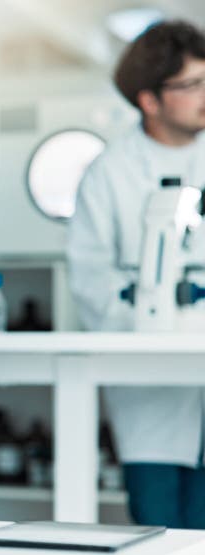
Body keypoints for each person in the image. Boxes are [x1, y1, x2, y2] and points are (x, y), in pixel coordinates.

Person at [67, 20, 205, 529]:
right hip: (149, 390)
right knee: (160, 528)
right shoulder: (108, 174)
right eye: (193, 84)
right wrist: (162, 318)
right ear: (150, 100)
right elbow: (90, 282)